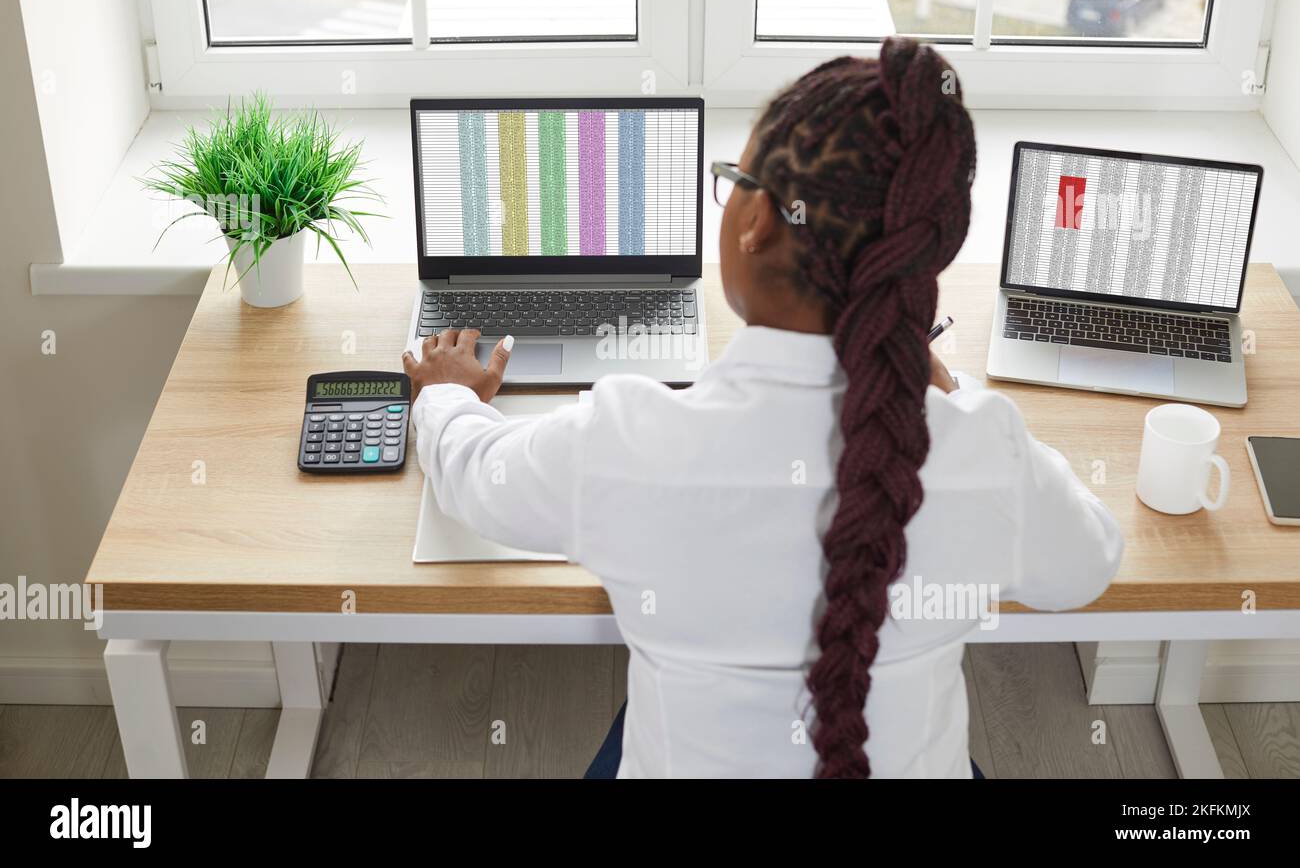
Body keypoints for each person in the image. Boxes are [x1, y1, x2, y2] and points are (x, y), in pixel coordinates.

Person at [401, 38, 1123, 778]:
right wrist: (952, 389)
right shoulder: (983, 452)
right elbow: (1088, 563)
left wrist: (448, 394)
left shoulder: (627, 441)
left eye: (734, 179)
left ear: (759, 224)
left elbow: (474, 477)